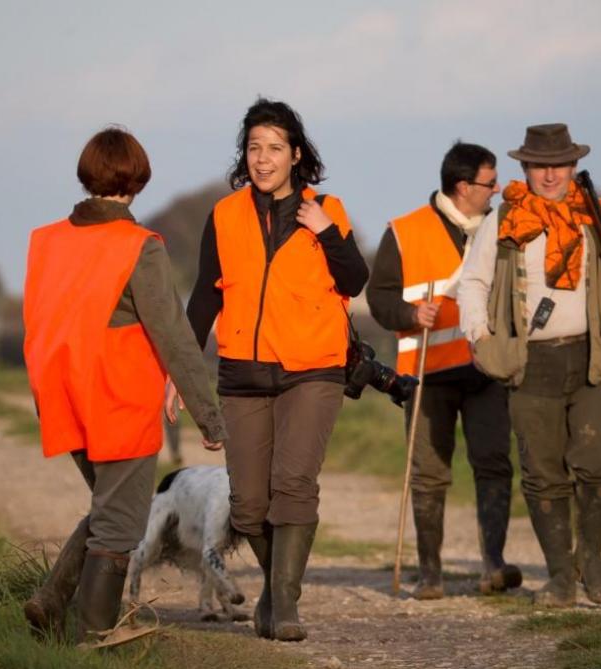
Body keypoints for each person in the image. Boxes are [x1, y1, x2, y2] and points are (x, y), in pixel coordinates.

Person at [22, 126, 228, 643]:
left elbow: (42, 322)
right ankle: (96, 639)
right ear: (137, 180)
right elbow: (174, 336)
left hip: (64, 399)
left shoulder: (47, 241)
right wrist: (210, 415)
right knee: (120, 526)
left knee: (112, 508)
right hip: (118, 401)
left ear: (86, 175)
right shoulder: (140, 248)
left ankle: (50, 603)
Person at [184, 98, 369, 641]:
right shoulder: (224, 215)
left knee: (293, 483)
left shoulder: (326, 208)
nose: (263, 159)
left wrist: (326, 231)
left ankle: (284, 606)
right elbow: (202, 298)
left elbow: (354, 280)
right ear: (245, 155)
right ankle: (275, 589)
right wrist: (178, 369)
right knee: (247, 505)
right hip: (242, 371)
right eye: (254, 147)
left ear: (295, 155)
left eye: (274, 148)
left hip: (313, 369)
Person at [457, 123, 601, 608]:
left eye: (559, 164)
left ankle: (591, 557)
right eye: (540, 166)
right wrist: (480, 334)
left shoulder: (598, 215)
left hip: (594, 355)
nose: (550, 175)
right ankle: (562, 577)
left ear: (574, 166)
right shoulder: (503, 218)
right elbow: (473, 281)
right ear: (526, 167)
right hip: (531, 361)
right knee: (543, 470)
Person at [366, 141, 521, 599]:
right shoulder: (405, 231)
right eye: (490, 184)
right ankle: (430, 574)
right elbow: (379, 298)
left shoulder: (505, 229)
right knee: (429, 475)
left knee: (494, 464)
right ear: (462, 186)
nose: (496, 192)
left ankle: (493, 564)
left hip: (486, 370)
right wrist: (412, 315)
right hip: (427, 374)